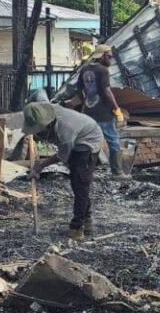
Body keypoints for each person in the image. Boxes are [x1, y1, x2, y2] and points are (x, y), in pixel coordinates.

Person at [23, 100, 104, 239]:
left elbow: (62, 156)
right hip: (78, 136)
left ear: (48, 125)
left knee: (80, 184)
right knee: (79, 185)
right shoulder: (47, 111)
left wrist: (40, 167)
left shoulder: (65, 130)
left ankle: (77, 228)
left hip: (88, 142)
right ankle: (87, 220)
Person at [66, 44, 125, 172]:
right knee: (113, 142)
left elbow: (79, 90)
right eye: (109, 56)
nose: (110, 60)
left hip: (88, 113)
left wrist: (84, 104)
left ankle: (83, 169)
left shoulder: (84, 69)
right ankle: (117, 172)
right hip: (104, 114)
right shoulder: (103, 70)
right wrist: (117, 109)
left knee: (86, 142)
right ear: (102, 56)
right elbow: (107, 91)